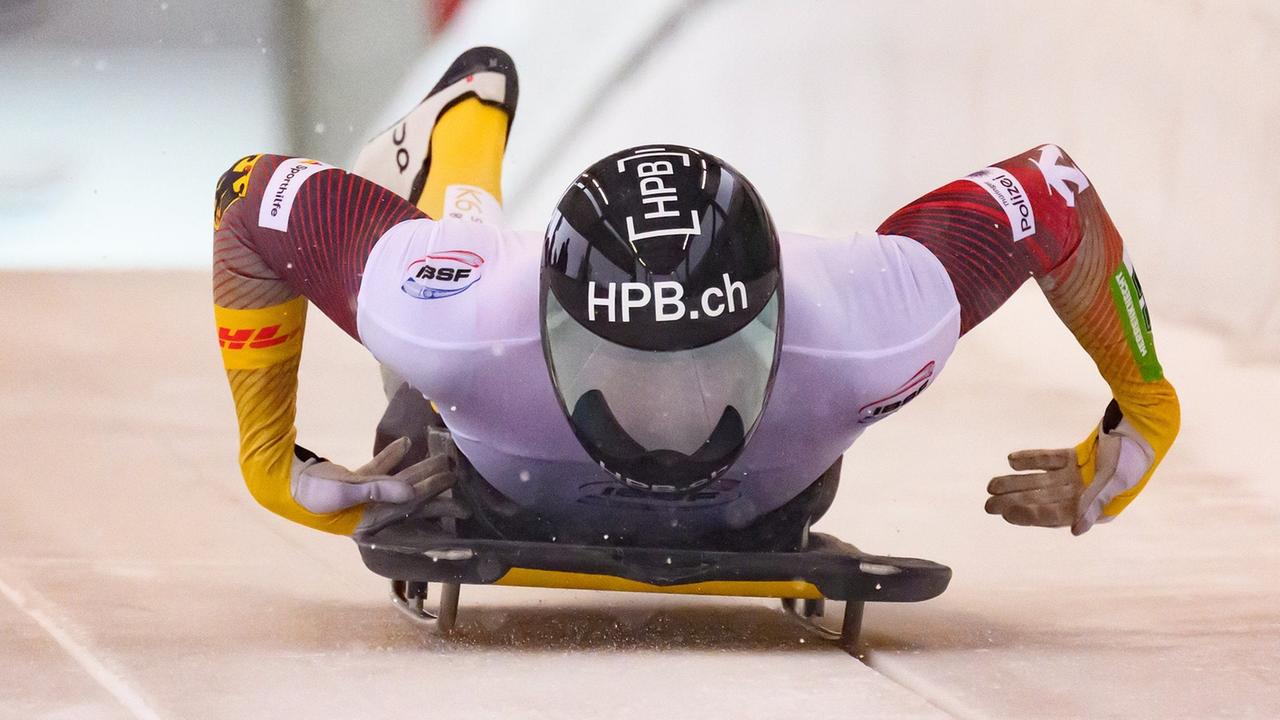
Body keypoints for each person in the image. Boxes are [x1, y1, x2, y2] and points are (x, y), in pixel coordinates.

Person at [212, 47, 1179, 547]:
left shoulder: (866, 323)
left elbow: (1054, 189)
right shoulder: (457, 317)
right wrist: (265, 463)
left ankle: (470, 122)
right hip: (542, 407)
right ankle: (460, 127)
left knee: (439, 334)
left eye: (712, 358)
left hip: (519, 468)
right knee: (443, 298)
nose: (669, 414)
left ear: (777, 320)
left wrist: (1149, 414)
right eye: (624, 365)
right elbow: (250, 198)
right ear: (549, 330)